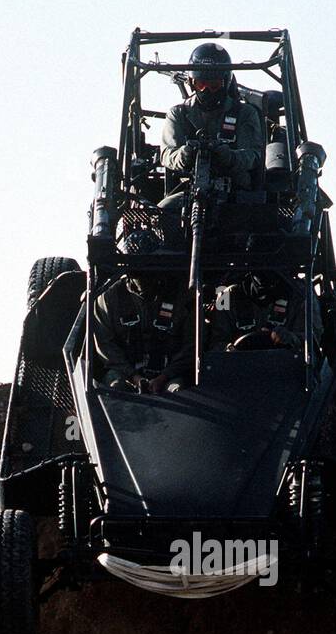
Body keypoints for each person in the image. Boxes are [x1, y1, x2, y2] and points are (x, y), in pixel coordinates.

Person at [159, 43, 264, 213]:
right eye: (201, 84)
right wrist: (185, 154)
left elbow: (253, 155)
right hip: (187, 193)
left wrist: (228, 157)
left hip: (235, 195)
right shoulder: (178, 114)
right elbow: (167, 154)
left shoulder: (244, 113)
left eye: (213, 85)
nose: (206, 90)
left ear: (226, 83)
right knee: (161, 213)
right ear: (192, 83)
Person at [92, 232, 194, 392]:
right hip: (124, 374)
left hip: (169, 375)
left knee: (178, 390)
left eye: (149, 268)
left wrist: (164, 377)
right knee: (115, 388)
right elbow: (106, 347)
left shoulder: (180, 297)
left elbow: (191, 345)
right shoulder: (108, 298)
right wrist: (134, 377)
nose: (145, 276)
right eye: (138, 270)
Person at [209, 270, 322, 354]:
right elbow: (215, 343)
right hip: (236, 374)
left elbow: (314, 342)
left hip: (288, 371)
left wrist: (289, 338)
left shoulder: (301, 294)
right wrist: (229, 350)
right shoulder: (225, 295)